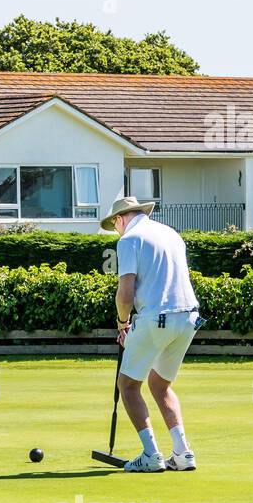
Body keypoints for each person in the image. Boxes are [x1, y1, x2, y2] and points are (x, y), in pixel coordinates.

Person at [101, 196, 201, 473]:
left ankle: (151, 455)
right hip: (188, 317)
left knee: (129, 385)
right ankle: (183, 453)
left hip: (156, 318)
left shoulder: (129, 240)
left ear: (120, 219)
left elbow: (125, 293)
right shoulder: (170, 233)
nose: (116, 230)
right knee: (160, 384)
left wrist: (123, 324)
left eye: (115, 225)